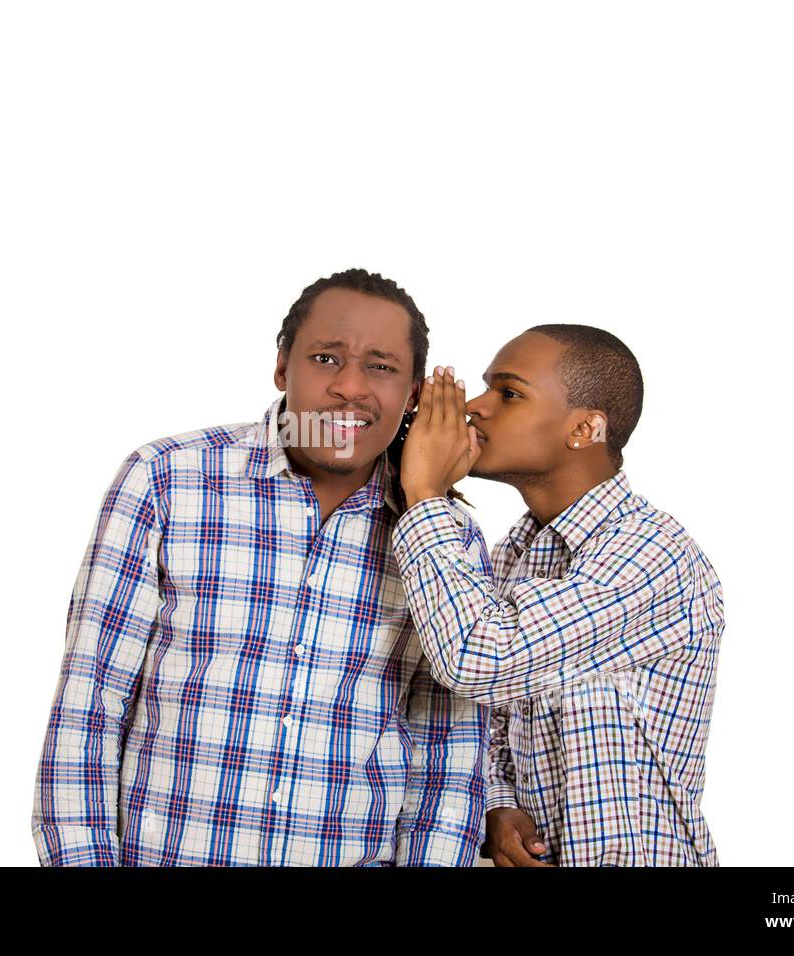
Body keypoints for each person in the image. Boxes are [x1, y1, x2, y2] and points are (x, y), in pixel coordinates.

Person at [32, 269, 493, 866]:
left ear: (412, 395)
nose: (350, 386)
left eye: (380, 366)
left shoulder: (445, 538)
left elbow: (448, 762)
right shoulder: (168, 479)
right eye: (327, 358)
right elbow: (88, 707)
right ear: (283, 367)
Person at [392, 326, 724, 866]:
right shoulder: (515, 554)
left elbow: (478, 659)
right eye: (485, 388)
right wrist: (497, 806)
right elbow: (489, 716)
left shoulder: (649, 553)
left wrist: (424, 492)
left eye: (509, 393)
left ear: (584, 428)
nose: (475, 407)